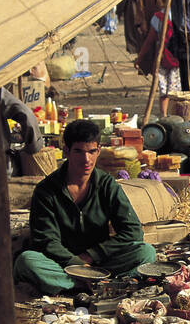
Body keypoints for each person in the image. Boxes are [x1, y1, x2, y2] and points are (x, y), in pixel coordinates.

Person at [13, 119, 156, 294]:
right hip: (62, 265)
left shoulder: (106, 184)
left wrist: (92, 256)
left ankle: (88, 284)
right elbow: (46, 241)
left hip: (102, 262)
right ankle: (94, 285)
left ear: (99, 151)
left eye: (91, 152)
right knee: (26, 261)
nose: (86, 159)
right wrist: (78, 265)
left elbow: (133, 231)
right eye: (79, 152)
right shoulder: (46, 190)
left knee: (146, 252)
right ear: (66, 151)